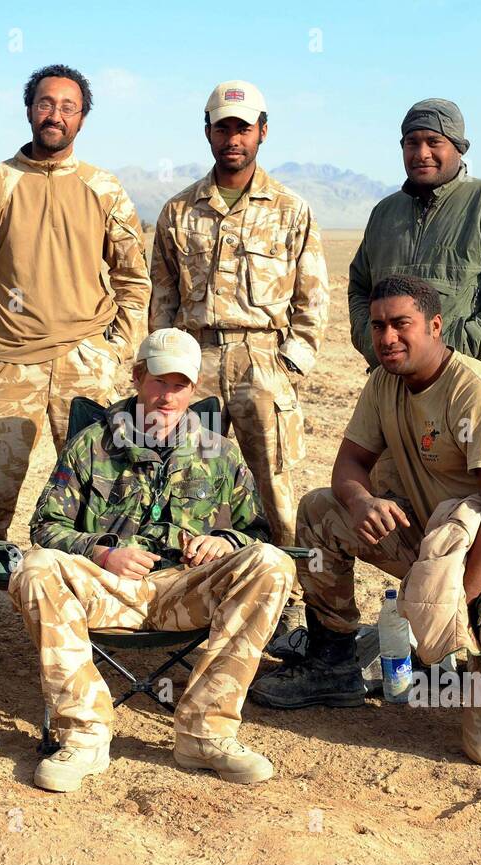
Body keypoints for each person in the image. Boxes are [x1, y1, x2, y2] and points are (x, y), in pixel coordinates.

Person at [250, 276, 481, 768]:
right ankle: (332, 664)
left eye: (402, 324)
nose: (387, 338)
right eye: (378, 326)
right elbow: (349, 466)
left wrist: (449, 608)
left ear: (435, 326)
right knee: (320, 511)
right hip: (431, 545)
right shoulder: (384, 382)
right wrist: (360, 504)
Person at [9, 329, 295, 792]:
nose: (167, 395)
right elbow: (44, 527)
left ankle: (205, 733)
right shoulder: (91, 445)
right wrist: (103, 551)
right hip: (107, 589)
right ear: (138, 377)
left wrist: (223, 540)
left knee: (272, 563)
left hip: (186, 590)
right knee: (36, 567)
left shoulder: (218, 453)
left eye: (179, 384)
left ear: (194, 388)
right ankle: (84, 736)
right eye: (159, 380)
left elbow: (257, 530)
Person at [0, 64, 150, 541]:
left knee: (105, 494)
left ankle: (86, 601)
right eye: (46, 104)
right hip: (8, 366)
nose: (55, 115)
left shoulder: (104, 188)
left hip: (87, 363)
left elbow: (134, 280)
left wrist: (116, 352)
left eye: (68, 107)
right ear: (30, 110)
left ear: (82, 119)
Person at [149, 79, 328, 556]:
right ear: (207, 132)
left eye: (243, 129)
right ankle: (192, 589)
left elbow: (313, 300)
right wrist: (165, 370)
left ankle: (286, 595)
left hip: (262, 363)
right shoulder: (179, 211)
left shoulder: (291, 210)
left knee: (274, 486)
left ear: (263, 132)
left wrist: (289, 366)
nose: (233, 139)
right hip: (194, 364)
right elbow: (162, 298)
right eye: (222, 128)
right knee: (189, 480)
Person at [346, 98, 481, 371]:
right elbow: (360, 286)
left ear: (459, 148)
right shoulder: (384, 213)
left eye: (434, 141)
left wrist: (449, 350)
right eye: (412, 142)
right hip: (390, 379)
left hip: (462, 378)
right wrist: (371, 340)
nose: (422, 153)